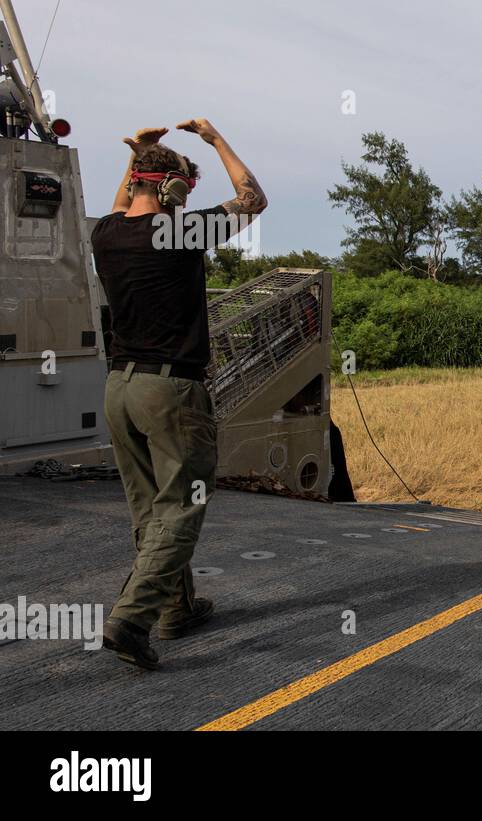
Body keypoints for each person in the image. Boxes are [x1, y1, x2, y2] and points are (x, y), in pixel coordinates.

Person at [91, 120, 268, 669]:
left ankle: (176, 609)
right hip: (169, 390)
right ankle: (131, 619)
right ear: (172, 191)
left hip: (119, 388)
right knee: (183, 507)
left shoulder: (106, 233)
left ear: (136, 182)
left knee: (150, 506)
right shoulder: (181, 234)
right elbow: (252, 199)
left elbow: (124, 202)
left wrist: (141, 152)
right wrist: (214, 140)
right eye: (184, 191)